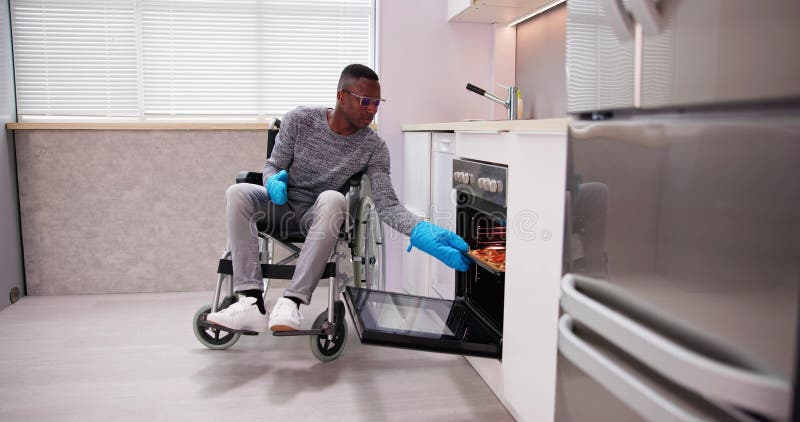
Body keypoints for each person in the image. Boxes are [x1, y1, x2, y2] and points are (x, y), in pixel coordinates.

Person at [207, 64, 472, 333]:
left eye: (377, 103)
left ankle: (291, 302)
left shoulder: (373, 147)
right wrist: (271, 181)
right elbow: (273, 165)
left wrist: (420, 230)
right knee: (237, 192)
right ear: (341, 96)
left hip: (320, 215)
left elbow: (387, 204)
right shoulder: (299, 120)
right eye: (365, 101)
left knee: (334, 198)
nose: (372, 109)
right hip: (281, 205)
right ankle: (251, 302)